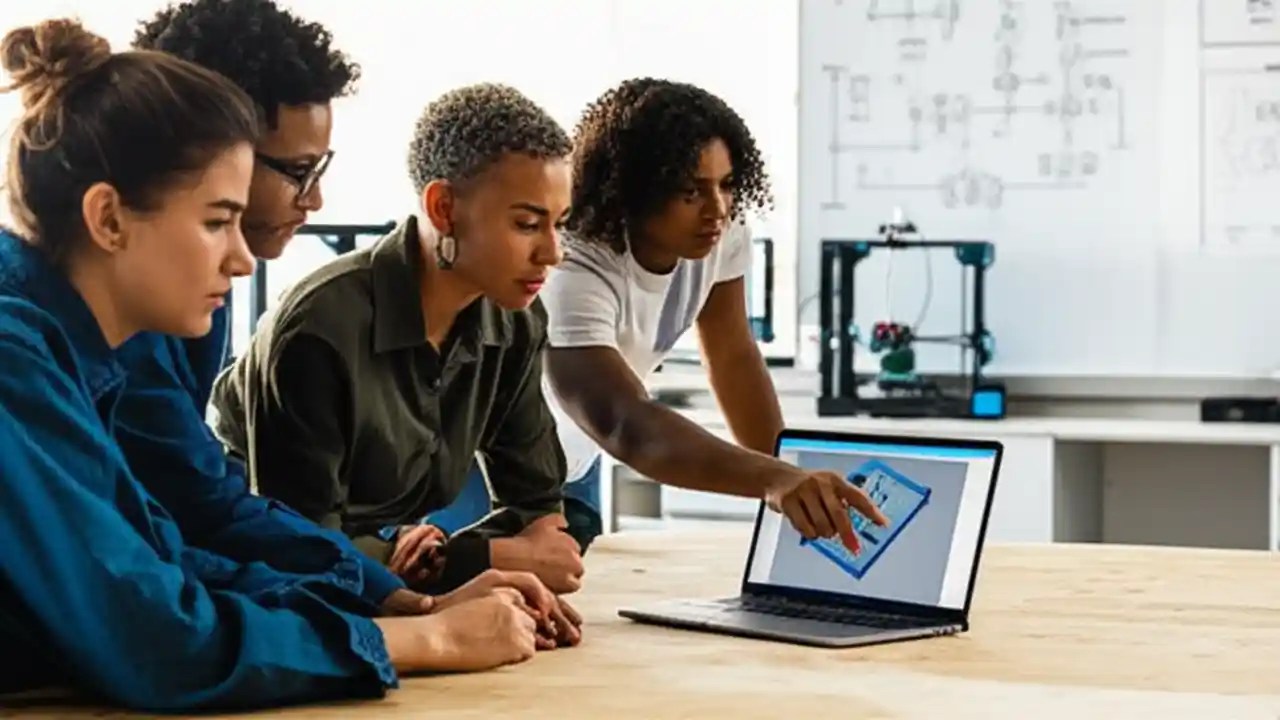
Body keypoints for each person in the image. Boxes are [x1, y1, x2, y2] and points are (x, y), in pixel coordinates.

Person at [0, 19, 569, 712]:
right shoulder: (14, 362)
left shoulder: (81, 342)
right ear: (109, 219)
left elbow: (170, 551)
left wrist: (405, 603)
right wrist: (428, 640)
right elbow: (160, 636)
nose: (241, 260)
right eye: (217, 220)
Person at [113, 0, 519, 620]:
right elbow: (189, 526)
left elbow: (186, 516)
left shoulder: (202, 288)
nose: (317, 200)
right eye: (298, 172)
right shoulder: (89, 334)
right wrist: (410, 620)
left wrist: (397, 598)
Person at [209, 82, 585, 595]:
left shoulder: (515, 321)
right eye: (526, 224)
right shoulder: (321, 326)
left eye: (559, 225)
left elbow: (540, 516)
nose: (553, 253)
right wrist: (467, 559)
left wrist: (442, 558)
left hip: (367, 571)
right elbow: (301, 547)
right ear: (444, 209)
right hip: (242, 575)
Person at [540, 78, 889, 550]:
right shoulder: (571, 265)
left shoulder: (720, 232)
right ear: (631, 190)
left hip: (573, 461)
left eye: (726, 185)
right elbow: (626, 424)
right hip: (482, 478)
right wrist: (773, 479)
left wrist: (793, 493)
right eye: (690, 191)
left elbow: (731, 355)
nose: (718, 209)